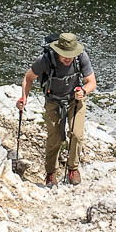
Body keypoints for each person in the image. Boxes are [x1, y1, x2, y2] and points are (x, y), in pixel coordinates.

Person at [16, 32, 96, 187]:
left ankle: (73, 168)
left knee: (77, 135)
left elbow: (91, 81)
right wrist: (23, 97)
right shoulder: (46, 60)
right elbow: (28, 78)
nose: (68, 58)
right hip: (53, 101)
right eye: (65, 54)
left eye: (70, 55)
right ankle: (51, 172)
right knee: (55, 138)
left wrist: (84, 91)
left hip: (75, 100)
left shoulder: (81, 57)